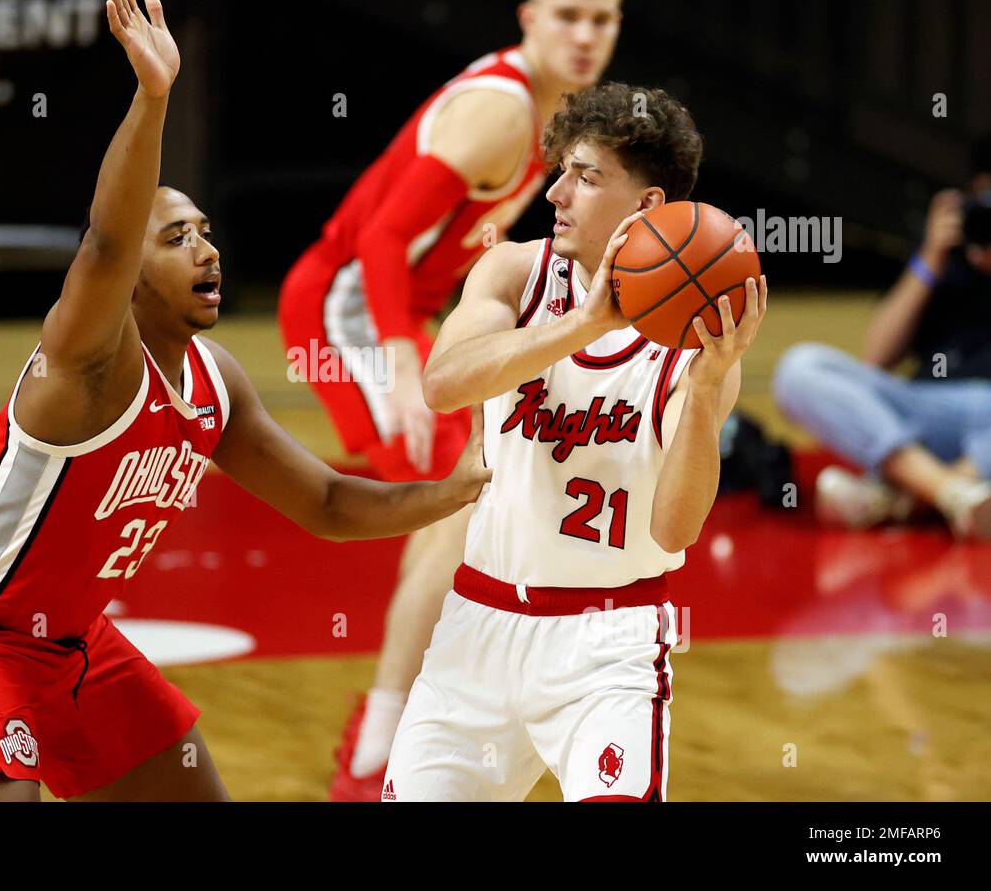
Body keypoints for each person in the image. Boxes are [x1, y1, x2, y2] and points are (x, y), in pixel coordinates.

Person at [0, 0, 490, 803]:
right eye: (175, 237)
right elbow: (103, 242)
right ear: (132, 274)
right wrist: (153, 97)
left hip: (79, 646)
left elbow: (329, 504)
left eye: (206, 230)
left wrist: (460, 492)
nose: (206, 248)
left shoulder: (214, 380)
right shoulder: (86, 365)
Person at [277, 0, 627, 800]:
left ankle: (385, 739)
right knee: (462, 499)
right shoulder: (502, 112)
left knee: (456, 507)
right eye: (568, 16)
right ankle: (376, 759)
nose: (585, 34)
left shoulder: (565, 109)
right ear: (529, 19)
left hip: (407, 312)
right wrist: (401, 359)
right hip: (349, 309)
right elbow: (383, 239)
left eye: (602, 18)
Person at [382, 82, 768, 801]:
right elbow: (445, 384)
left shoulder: (698, 349)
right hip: (479, 627)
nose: (556, 192)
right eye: (561, 170)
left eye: (586, 177)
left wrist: (711, 387)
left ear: (648, 208)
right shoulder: (511, 273)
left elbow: (676, 529)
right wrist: (584, 323)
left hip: (608, 646)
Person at [772, 139, 991, 539]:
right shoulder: (943, 258)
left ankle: (903, 495)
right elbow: (875, 356)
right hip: (929, 411)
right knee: (798, 369)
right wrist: (930, 258)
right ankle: (947, 493)